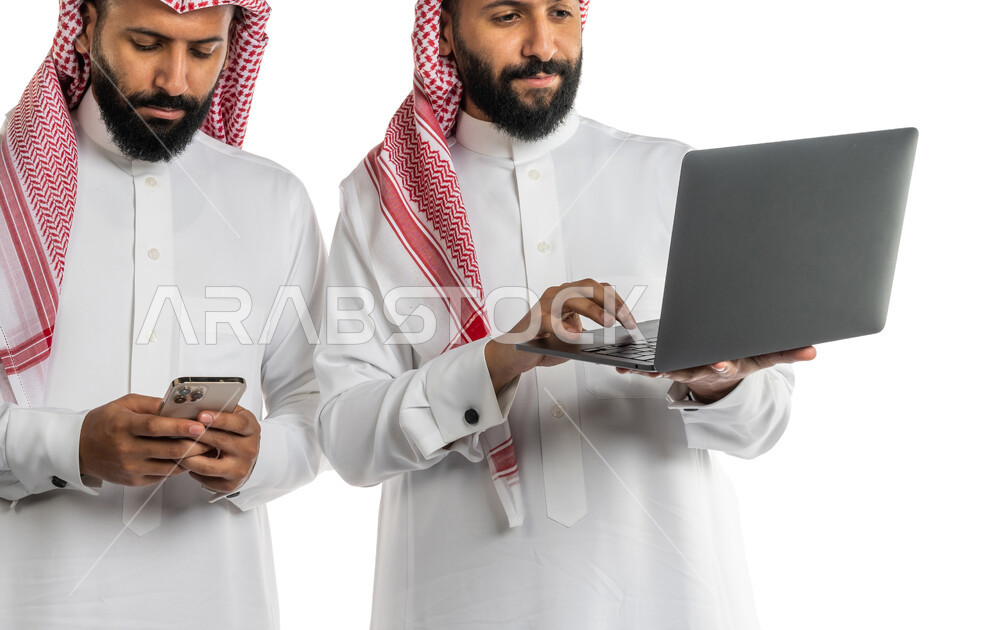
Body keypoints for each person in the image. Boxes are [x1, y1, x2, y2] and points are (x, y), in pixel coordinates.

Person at [315, 0, 816, 627]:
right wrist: (504, 356)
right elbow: (346, 439)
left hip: (669, 597)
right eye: (507, 16)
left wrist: (718, 382)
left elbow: (765, 424)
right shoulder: (386, 202)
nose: (542, 44)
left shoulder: (673, 175)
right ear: (443, 31)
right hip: (466, 604)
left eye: (560, 11)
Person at [0, 1, 324, 627]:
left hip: (215, 603)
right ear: (84, 25)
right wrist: (71, 444)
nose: (175, 81)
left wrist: (258, 457)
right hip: (9, 604)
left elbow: (318, 406)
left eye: (203, 51)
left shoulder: (275, 200)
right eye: (147, 43)